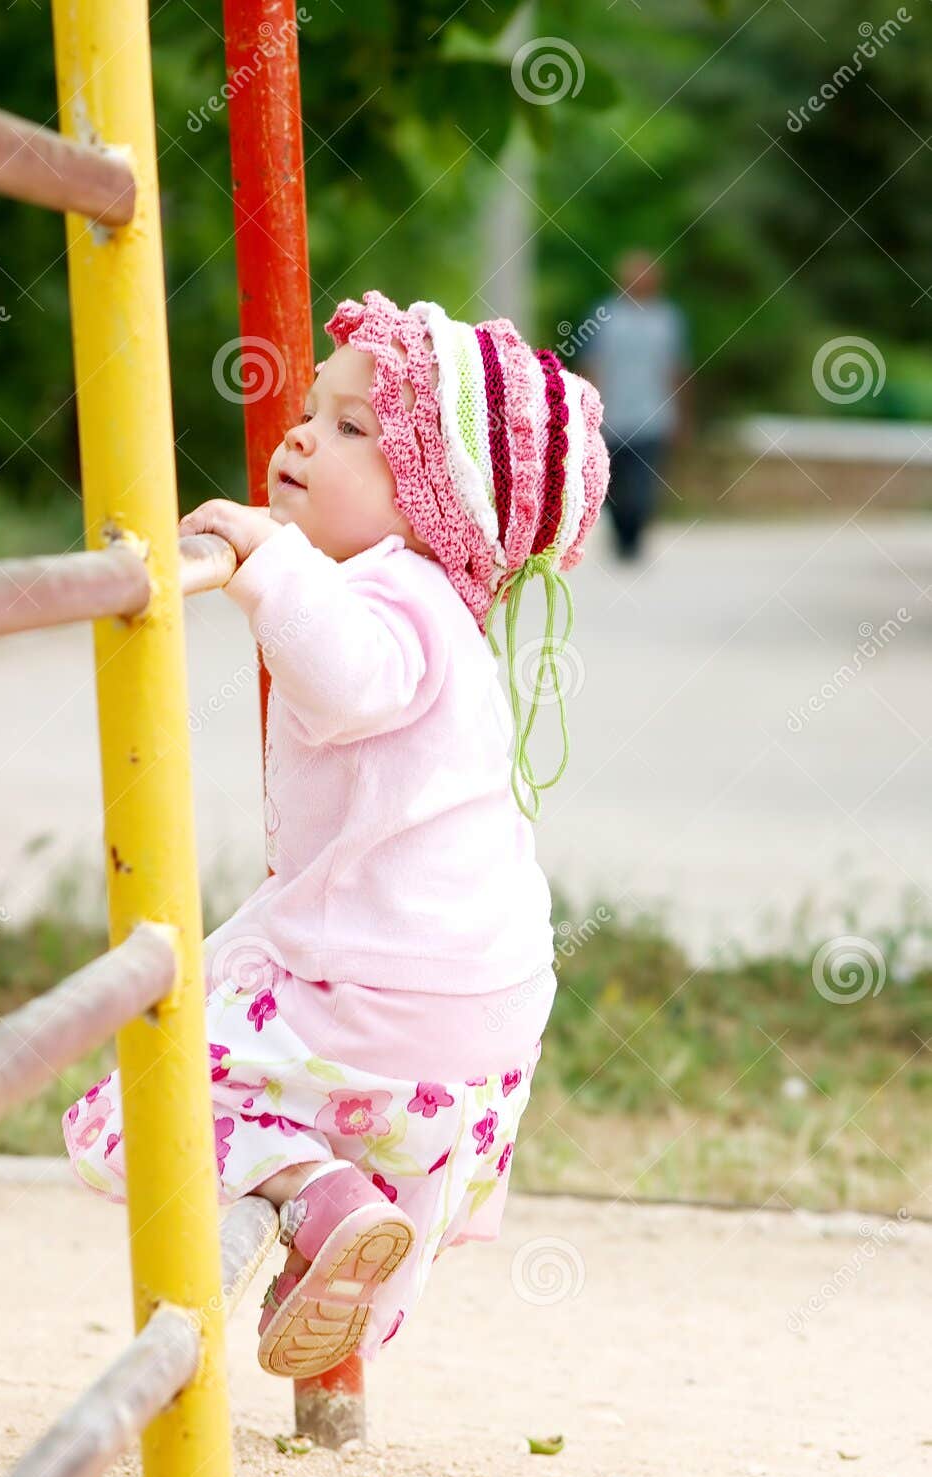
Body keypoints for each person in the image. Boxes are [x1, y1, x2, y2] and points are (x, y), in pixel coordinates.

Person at [61, 291, 609, 1379]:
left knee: (136, 1100)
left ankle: (310, 1196)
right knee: (378, 1169)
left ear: (435, 504)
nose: (301, 434)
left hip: (382, 1005)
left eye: (353, 427)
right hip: (484, 1031)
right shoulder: (444, 614)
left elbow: (344, 673)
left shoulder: (393, 600)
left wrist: (265, 557)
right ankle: (344, 1263)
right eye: (312, 410)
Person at [579, 250, 689, 560]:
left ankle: (635, 536)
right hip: (611, 417)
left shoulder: (668, 320)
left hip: (653, 415)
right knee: (611, 484)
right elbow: (592, 365)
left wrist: (681, 414)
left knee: (643, 485)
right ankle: (621, 533)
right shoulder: (604, 316)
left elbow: (676, 370)